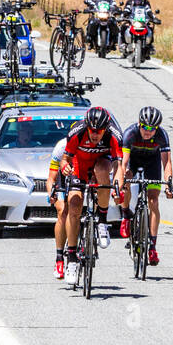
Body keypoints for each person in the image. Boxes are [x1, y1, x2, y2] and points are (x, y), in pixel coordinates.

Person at [60, 106, 123, 287]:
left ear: (106, 128)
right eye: (92, 130)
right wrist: (65, 167)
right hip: (79, 165)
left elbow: (119, 166)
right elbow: (65, 159)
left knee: (102, 169)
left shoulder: (114, 135)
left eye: (99, 131)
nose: (95, 134)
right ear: (87, 126)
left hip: (101, 164)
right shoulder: (77, 132)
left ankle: (102, 220)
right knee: (74, 206)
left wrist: (118, 187)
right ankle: (72, 258)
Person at [117, 105, 173, 264]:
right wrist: (123, 178)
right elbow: (123, 162)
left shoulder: (162, 135)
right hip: (133, 161)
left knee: (153, 201)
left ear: (157, 128)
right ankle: (125, 215)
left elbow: (167, 163)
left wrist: (169, 184)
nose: (148, 131)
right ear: (139, 123)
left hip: (152, 163)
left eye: (152, 128)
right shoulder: (130, 133)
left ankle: (152, 247)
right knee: (126, 181)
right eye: (145, 127)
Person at [46, 135, 69, 279]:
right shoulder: (61, 147)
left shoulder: (92, 143)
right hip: (64, 179)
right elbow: (51, 178)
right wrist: (51, 193)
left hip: (84, 174)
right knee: (62, 212)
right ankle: (59, 258)